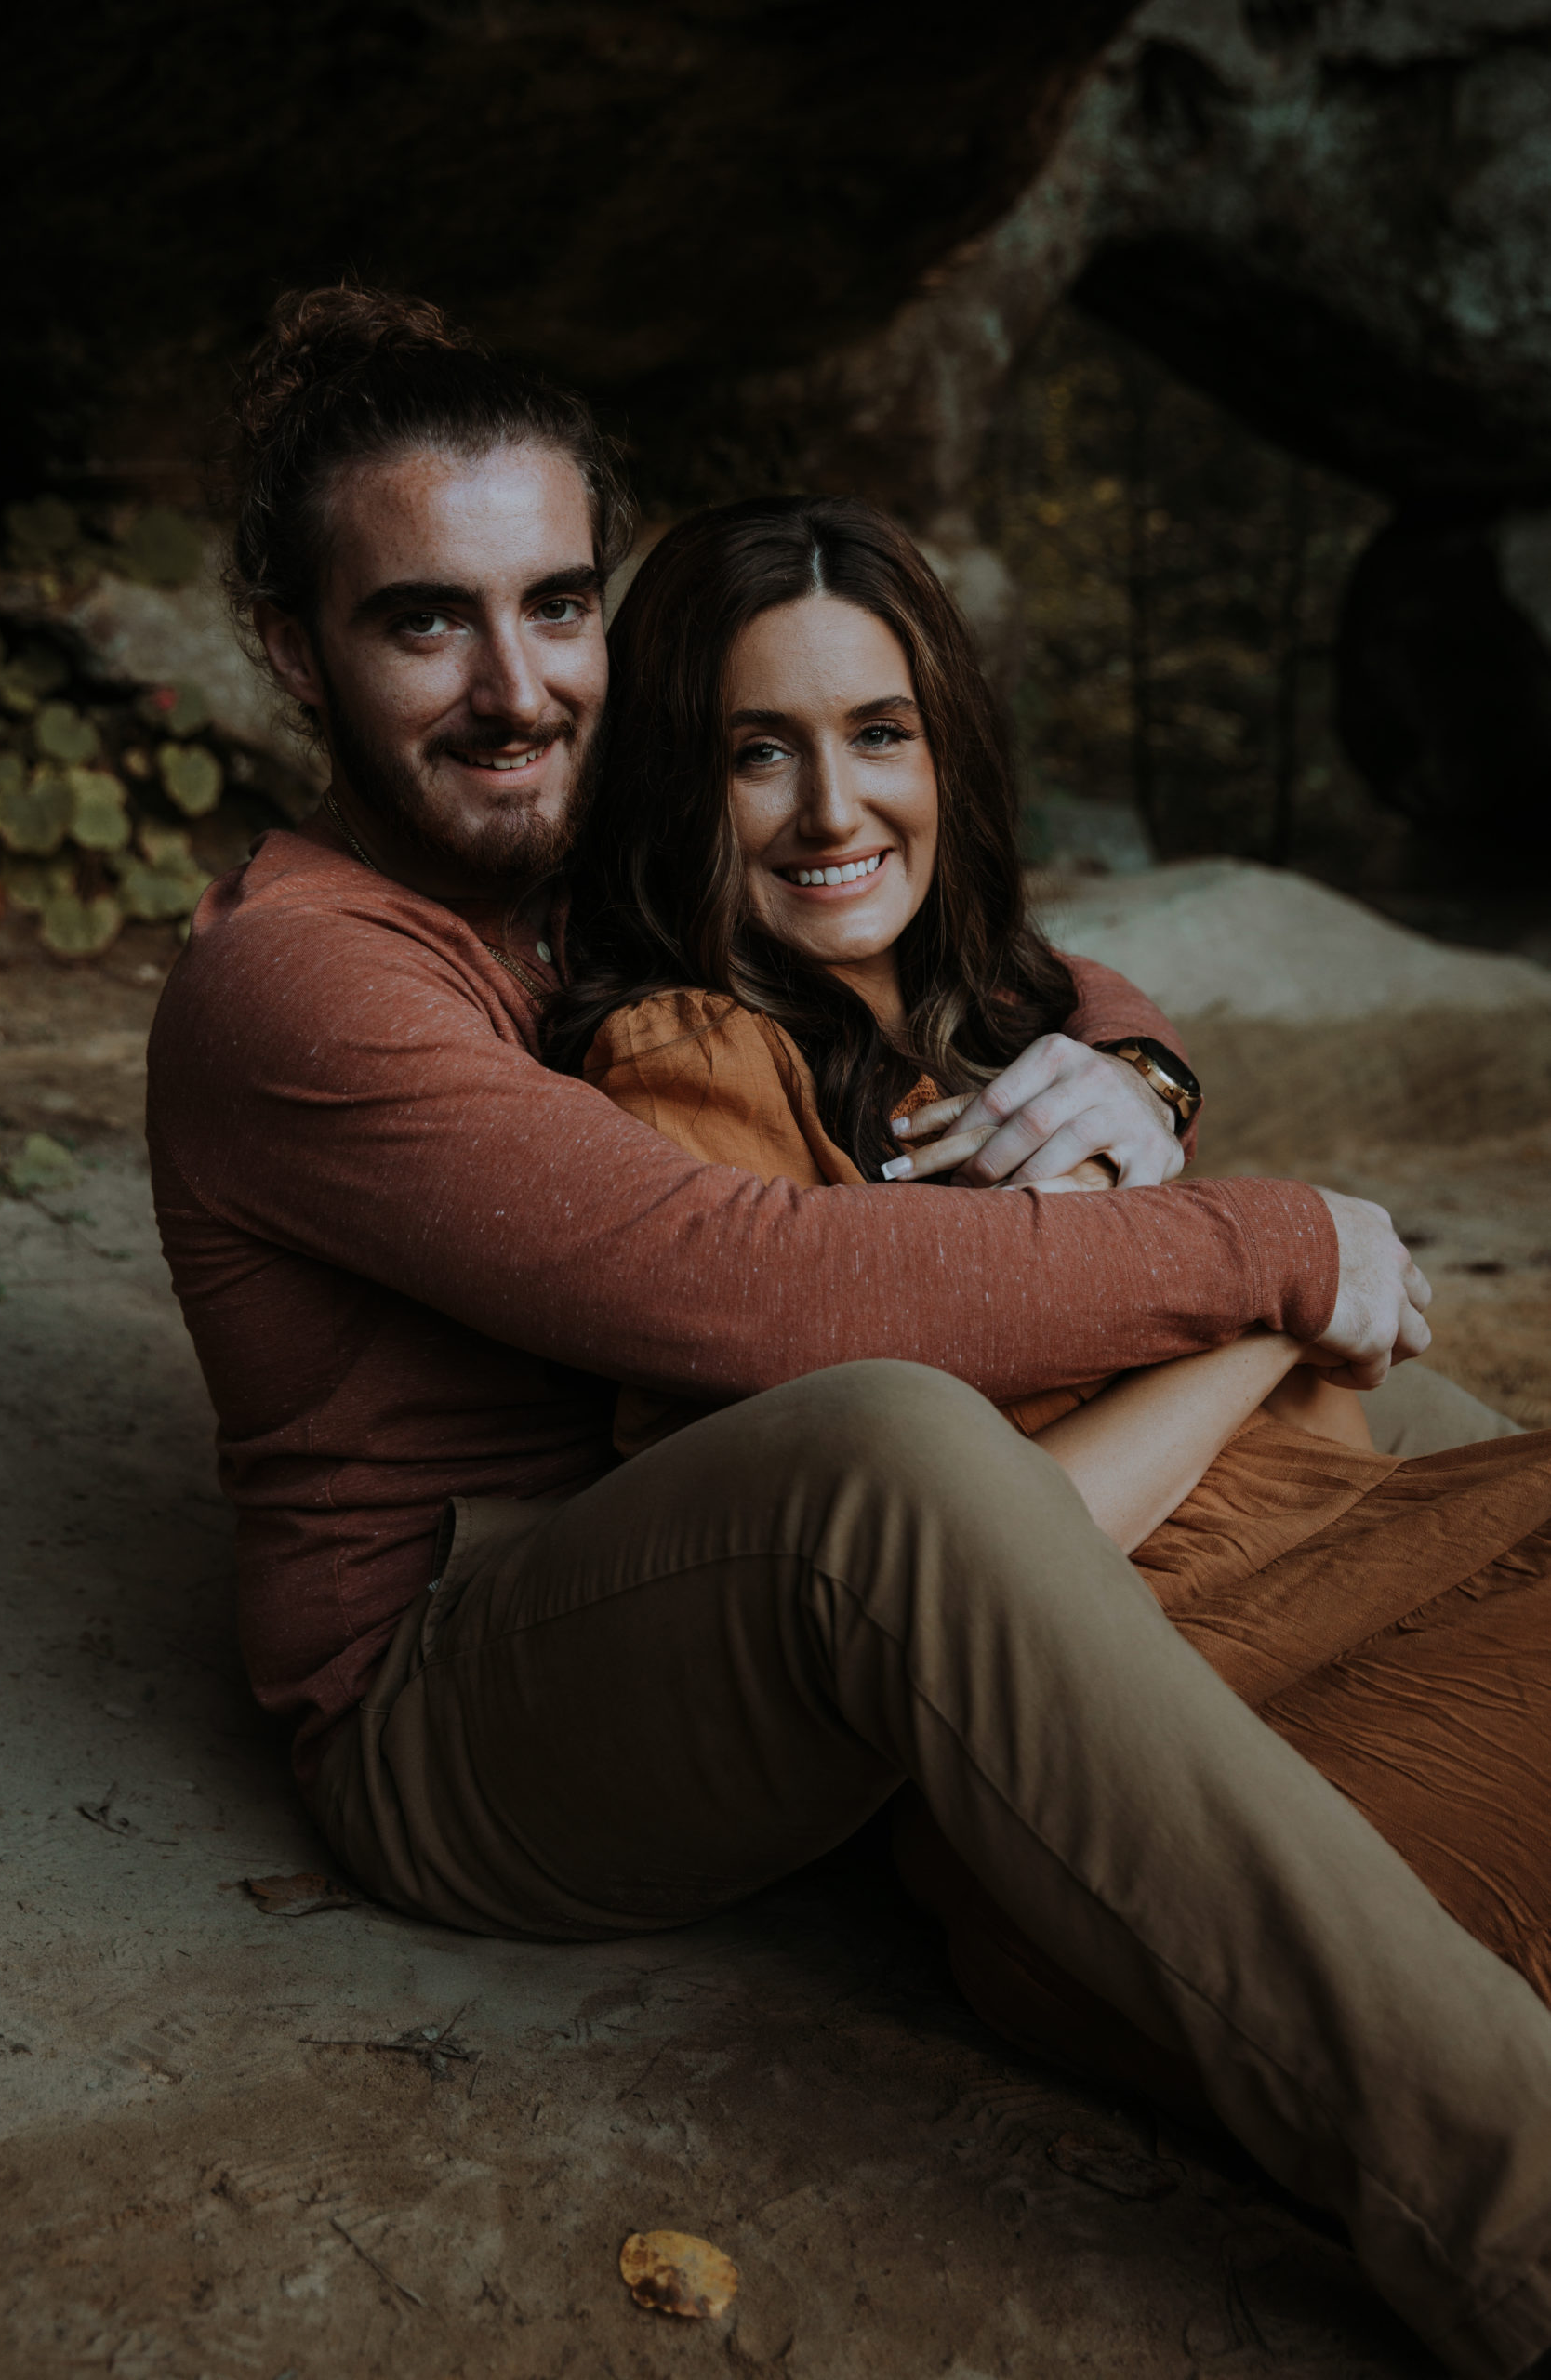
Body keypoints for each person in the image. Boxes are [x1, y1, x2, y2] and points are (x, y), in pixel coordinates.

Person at [145, 283, 1551, 2379]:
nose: (514, 686)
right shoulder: (304, 976)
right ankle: (1516, 2214)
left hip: (714, 1544)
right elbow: (743, 1280)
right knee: (893, 1443)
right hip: (473, 1678)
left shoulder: (585, 835)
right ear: (291, 647)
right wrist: (1263, 1247)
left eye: (556, 605)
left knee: (1385, 1415)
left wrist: (1134, 1078)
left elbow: (984, 943)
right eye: (423, 621)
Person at [547, 487, 1551, 2111]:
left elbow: (1097, 1014)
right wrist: (1262, 1296)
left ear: (946, 747)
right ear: (678, 779)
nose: (831, 807)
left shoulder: (999, 1005)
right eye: (757, 752)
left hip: (1348, 1560)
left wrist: (1151, 1098)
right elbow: (943, 1562)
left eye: (880, 732)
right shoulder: (693, 1059)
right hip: (1172, 1716)